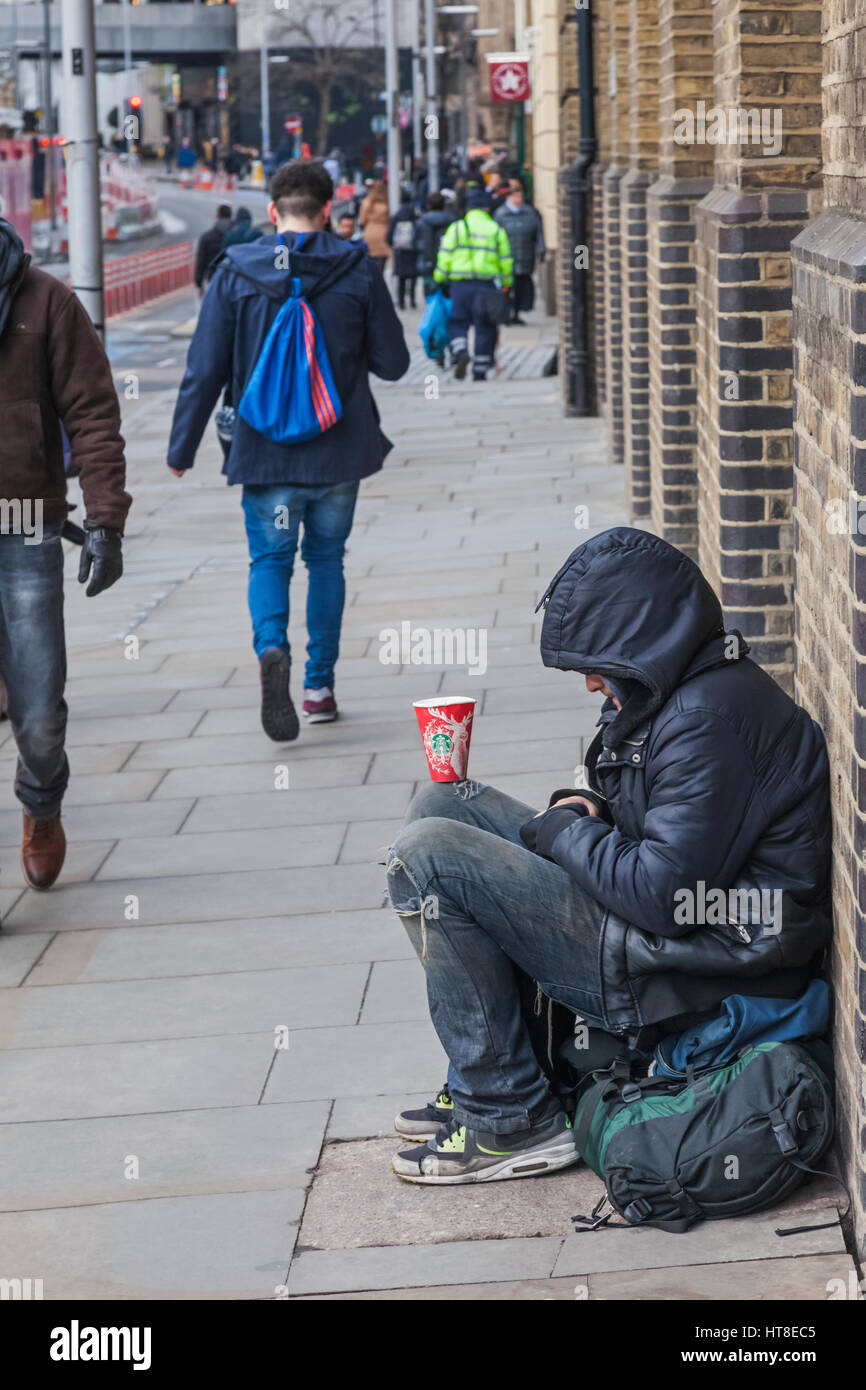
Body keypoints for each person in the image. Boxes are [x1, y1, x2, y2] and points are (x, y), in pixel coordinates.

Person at [385, 526, 832, 1184]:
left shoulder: (708, 720)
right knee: (445, 805)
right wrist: (587, 811)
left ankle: (511, 1116)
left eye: (597, 665)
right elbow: (663, 833)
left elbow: (663, 898)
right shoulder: (676, 691)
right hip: (659, 932)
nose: (591, 682)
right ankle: (487, 1074)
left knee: (428, 856)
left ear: (645, 645)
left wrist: (569, 834)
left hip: (696, 970)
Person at [166, 159, 409, 738]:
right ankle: (319, 687)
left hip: (266, 454)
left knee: (270, 559)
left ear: (274, 213)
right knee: (326, 560)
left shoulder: (235, 271)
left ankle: (271, 649)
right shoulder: (356, 268)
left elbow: (204, 370)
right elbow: (394, 364)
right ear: (329, 212)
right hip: (339, 453)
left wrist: (181, 449)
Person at [0, 218, 130, 896]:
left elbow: (93, 413)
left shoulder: (45, 299)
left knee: (40, 710)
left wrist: (106, 520)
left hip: (24, 529)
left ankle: (41, 802)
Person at [433, 180, 512, 381]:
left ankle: (461, 353)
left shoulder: (457, 228)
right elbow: (505, 260)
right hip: (486, 285)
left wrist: (439, 277)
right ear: (486, 208)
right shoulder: (495, 229)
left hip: (460, 285)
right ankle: (480, 370)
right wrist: (507, 282)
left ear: (468, 208)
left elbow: (445, 255)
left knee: (458, 322)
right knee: (485, 326)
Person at [494, 179, 545, 324]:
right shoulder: (501, 214)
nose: (518, 200)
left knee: (521, 288)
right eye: (515, 197)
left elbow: (538, 233)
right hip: (508, 259)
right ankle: (506, 313)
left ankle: (515, 313)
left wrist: (541, 250)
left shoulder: (530, 213)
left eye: (520, 197)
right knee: (508, 288)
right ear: (509, 198)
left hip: (525, 256)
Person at [386, 188, 420, 310]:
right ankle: (412, 300)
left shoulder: (396, 216)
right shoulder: (415, 215)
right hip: (412, 249)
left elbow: (389, 235)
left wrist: (392, 244)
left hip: (399, 249)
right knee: (412, 276)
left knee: (401, 276)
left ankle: (401, 302)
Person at [417, 191, 452, 298]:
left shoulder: (421, 222)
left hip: (427, 264)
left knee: (430, 296)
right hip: (448, 264)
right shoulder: (452, 221)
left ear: (428, 205)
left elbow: (416, 243)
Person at [194, 203, 233, 295]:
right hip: (233, 281)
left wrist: (199, 283)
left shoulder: (206, 237)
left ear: (217, 215)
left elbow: (201, 261)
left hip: (212, 280)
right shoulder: (236, 237)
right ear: (231, 217)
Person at [358, 179, 391, 272]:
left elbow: (361, 221)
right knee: (381, 267)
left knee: (370, 266)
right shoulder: (386, 203)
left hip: (369, 233)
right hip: (383, 234)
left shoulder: (366, 202)